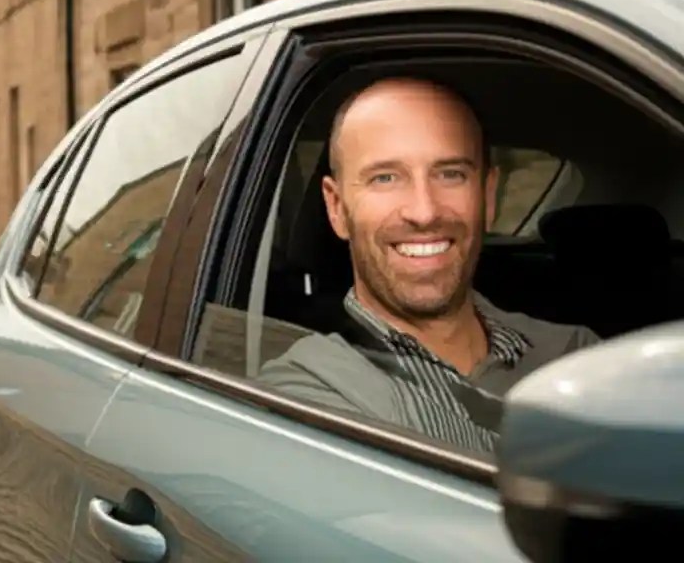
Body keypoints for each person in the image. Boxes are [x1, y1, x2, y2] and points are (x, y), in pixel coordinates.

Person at [256, 77, 600, 453]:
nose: (424, 211)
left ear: (487, 195)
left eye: (450, 174)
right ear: (336, 207)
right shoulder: (305, 392)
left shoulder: (576, 354)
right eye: (385, 177)